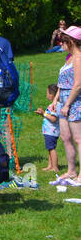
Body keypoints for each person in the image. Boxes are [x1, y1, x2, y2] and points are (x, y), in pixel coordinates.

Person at [50, 26, 81, 188]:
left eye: (63, 41)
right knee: (65, 137)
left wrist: (67, 104)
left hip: (74, 103)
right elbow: (62, 83)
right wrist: (55, 100)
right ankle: (71, 170)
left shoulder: (78, 58)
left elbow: (77, 85)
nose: (60, 43)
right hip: (63, 103)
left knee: (78, 139)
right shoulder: (69, 57)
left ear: (72, 42)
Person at [34, 84, 61, 173]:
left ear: (52, 95)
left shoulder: (55, 105)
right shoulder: (53, 105)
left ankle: (55, 167)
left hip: (51, 132)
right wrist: (43, 113)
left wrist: (43, 114)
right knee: (50, 149)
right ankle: (50, 166)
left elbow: (53, 118)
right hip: (49, 131)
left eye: (47, 93)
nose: (46, 95)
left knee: (52, 149)